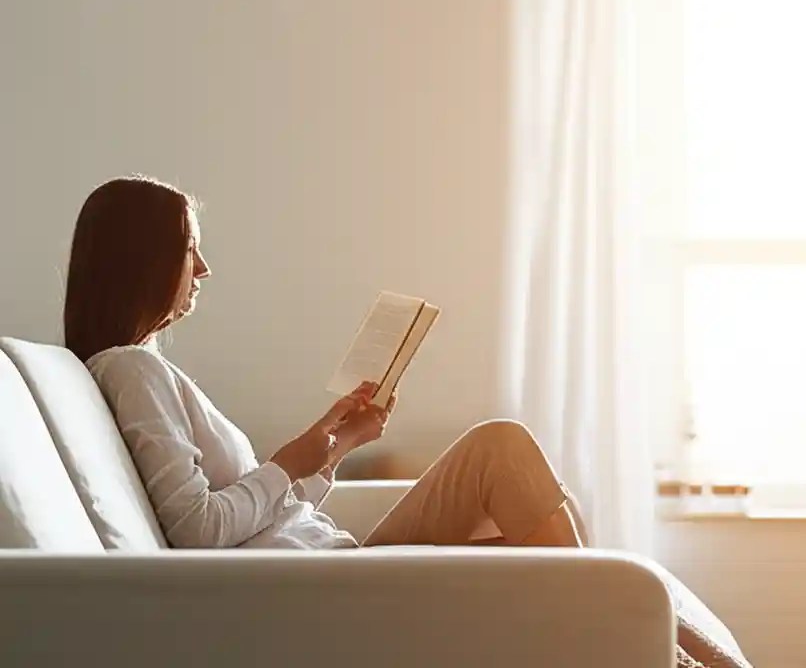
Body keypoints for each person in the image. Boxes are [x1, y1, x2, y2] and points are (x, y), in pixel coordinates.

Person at [65, 175, 586, 550]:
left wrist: (339, 445)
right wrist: (290, 461)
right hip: (325, 586)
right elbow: (197, 530)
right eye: (190, 249)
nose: (202, 269)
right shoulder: (131, 372)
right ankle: (655, 642)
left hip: (330, 563)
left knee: (541, 510)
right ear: (146, 259)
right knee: (501, 448)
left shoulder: (140, 370)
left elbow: (261, 515)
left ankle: (657, 638)